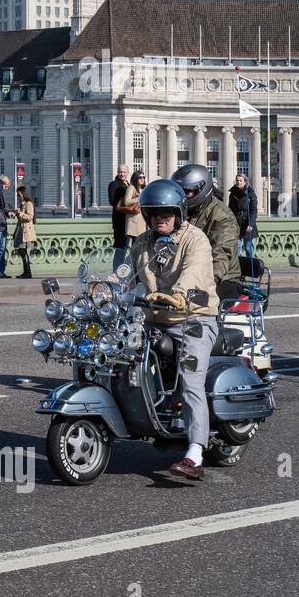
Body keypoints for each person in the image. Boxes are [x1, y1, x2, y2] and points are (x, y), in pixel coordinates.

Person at [129, 178, 219, 480]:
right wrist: (102, 289)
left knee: (191, 379)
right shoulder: (142, 242)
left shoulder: (196, 240)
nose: (160, 219)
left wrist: (179, 294)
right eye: (154, 213)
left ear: (179, 213)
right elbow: (127, 274)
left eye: (166, 213)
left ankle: (194, 453)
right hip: (154, 319)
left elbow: (194, 270)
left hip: (193, 318)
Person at [172, 163, 241, 297]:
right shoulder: (179, 212)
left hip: (222, 279)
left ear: (201, 189)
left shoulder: (222, 216)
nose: (182, 196)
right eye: (179, 191)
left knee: (193, 308)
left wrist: (197, 284)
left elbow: (220, 256)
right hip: (183, 274)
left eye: (186, 191)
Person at [227, 174, 257, 260]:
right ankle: (239, 269)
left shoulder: (250, 193)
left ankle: (252, 269)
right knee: (237, 248)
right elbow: (230, 210)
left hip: (247, 223)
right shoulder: (233, 193)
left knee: (248, 248)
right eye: (237, 180)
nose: (238, 182)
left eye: (240, 180)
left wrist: (250, 224)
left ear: (244, 182)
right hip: (236, 224)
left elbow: (254, 210)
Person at [9, 185, 36, 278]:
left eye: (18, 194)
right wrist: (16, 212)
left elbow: (29, 217)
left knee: (23, 251)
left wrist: (19, 213)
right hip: (21, 230)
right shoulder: (22, 204)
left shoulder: (28, 203)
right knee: (21, 251)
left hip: (26, 231)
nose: (17, 196)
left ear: (23, 193)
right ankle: (26, 272)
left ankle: (28, 272)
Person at [109, 163, 131, 271]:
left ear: (128, 173)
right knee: (120, 248)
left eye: (124, 172)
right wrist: (125, 200)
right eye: (120, 172)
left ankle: (122, 271)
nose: (122, 174)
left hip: (129, 221)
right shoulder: (114, 184)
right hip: (119, 221)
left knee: (126, 247)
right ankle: (116, 271)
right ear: (117, 172)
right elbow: (112, 201)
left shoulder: (129, 184)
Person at [0, 174, 13, 278]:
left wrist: (9, 213)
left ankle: (1, 271)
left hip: (3, 224)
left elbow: (2, 209)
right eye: (6, 186)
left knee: (1, 249)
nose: (7, 188)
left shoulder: (1, 195)